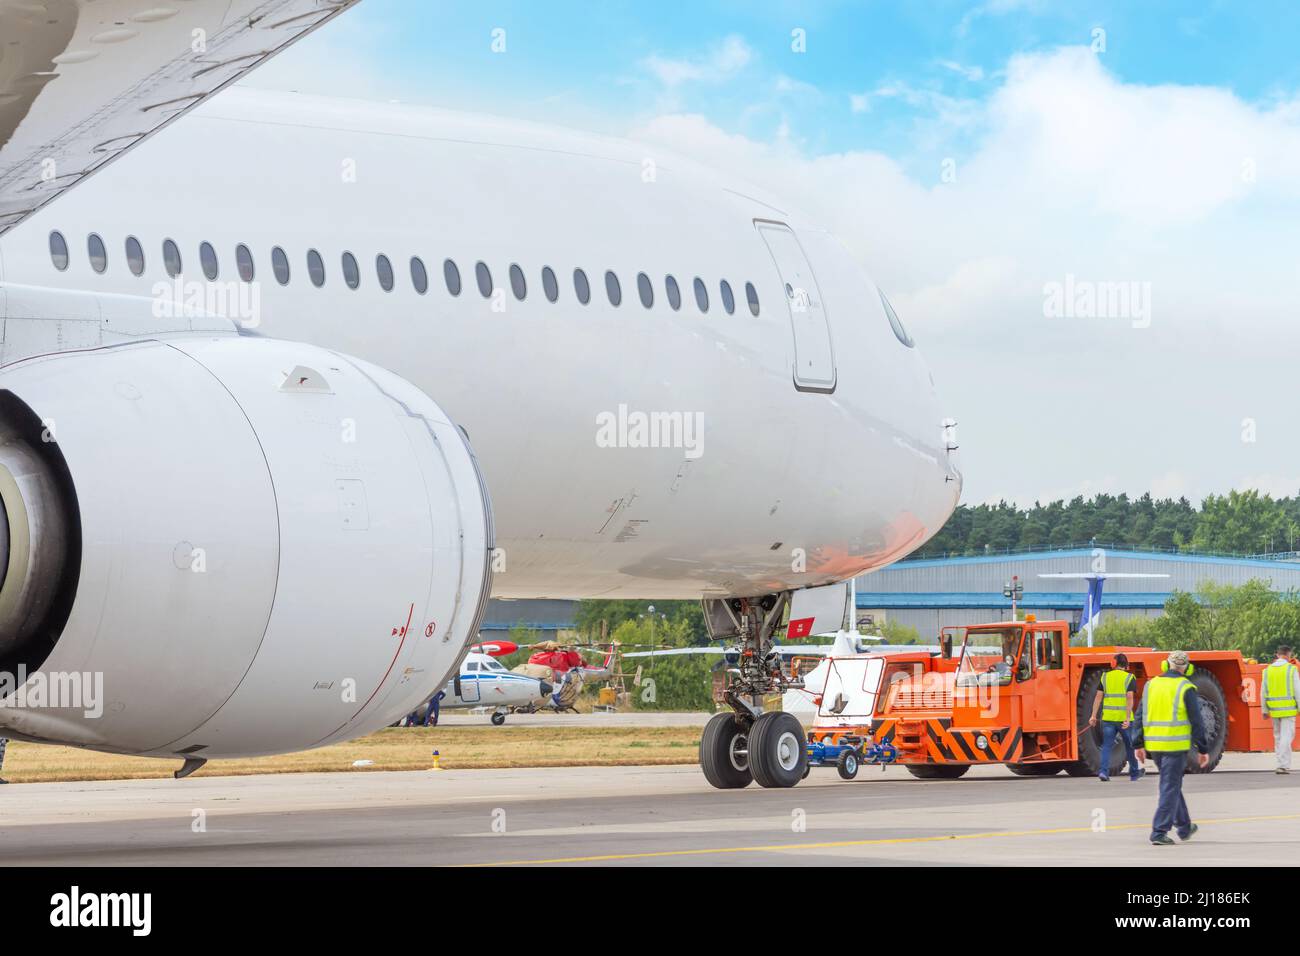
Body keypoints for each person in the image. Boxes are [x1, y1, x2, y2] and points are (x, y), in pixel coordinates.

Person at [1133, 650, 1210, 846]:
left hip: (1155, 747)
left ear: (1165, 665)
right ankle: (1159, 831)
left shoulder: (1151, 685)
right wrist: (1203, 749)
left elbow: (1140, 714)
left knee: (1171, 784)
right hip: (1175, 746)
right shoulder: (1186, 687)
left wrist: (1138, 744)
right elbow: (1197, 721)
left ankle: (1184, 827)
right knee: (1169, 786)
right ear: (1187, 668)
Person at [1087, 653, 1143, 782]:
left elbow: (1098, 697)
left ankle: (1103, 772)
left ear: (1114, 663)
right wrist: (1128, 718)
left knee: (1107, 745)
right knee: (1130, 746)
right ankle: (1134, 773)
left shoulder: (1105, 677)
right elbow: (1130, 698)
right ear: (1126, 664)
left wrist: (1093, 716)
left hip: (1108, 719)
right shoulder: (1129, 677)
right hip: (1124, 720)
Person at [1262, 644, 1299, 774]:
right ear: (1289, 655)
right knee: (1286, 737)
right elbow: (1297, 691)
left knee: (1278, 737)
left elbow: (1263, 692)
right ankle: (1283, 765)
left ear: (1277, 655)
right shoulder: (1291, 669)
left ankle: (1280, 763)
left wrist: (1265, 710)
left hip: (1274, 710)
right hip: (1288, 710)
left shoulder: (1267, 670)